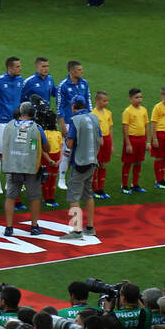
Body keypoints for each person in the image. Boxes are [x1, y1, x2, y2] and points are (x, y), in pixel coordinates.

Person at [1, 101, 47, 237]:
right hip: (31, 167)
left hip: (13, 166)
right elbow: (46, 147)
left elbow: (5, 143)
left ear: (20, 112)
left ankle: (9, 227)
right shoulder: (37, 128)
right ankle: (33, 226)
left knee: (10, 197)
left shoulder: (10, 126)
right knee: (34, 197)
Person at [61, 100, 101, 241]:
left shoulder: (75, 120)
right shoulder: (95, 117)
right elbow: (100, 141)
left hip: (80, 163)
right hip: (92, 161)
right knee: (88, 194)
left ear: (73, 107)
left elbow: (70, 144)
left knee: (73, 196)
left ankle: (76, 230)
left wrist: (65, 138)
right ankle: (90, 228)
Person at [121, 87, 149, 194]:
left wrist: (148, 142)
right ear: (130, 99)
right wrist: (128, 144)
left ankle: (135, 184)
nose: (139, 99)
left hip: (141, 140)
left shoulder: (144, 110)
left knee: (138, 162)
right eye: (136, 97)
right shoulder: (127, 111)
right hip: (131, 140)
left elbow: (147, 126)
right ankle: (124, 185)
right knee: (128, 163)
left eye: (140, 97)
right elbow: (125, 128)